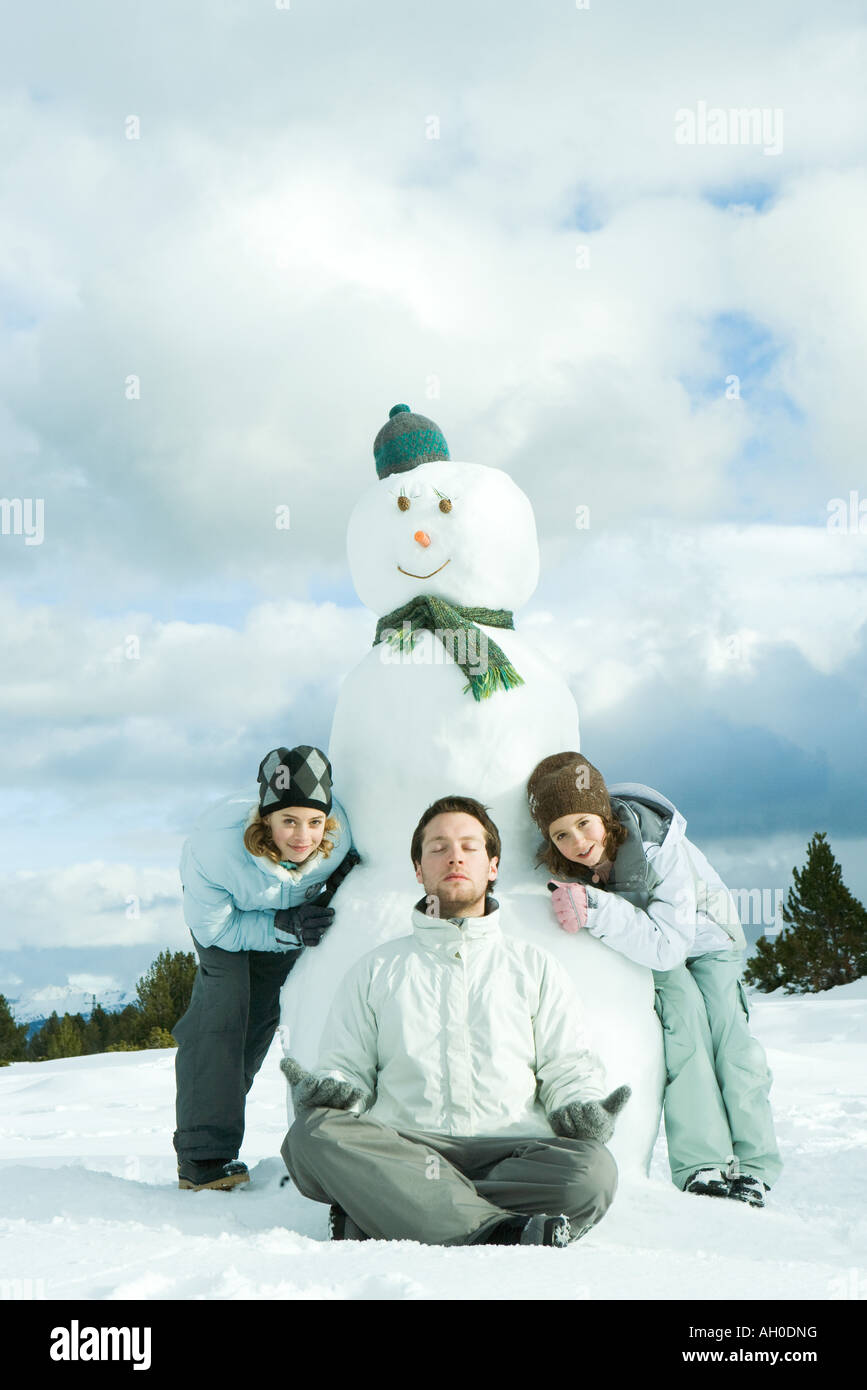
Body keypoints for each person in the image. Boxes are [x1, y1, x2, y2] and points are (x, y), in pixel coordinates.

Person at [280, 795, 629, 1246]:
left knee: (593, 1173)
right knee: (311, 1136)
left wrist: (579, 1107)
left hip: (513, 1153)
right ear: (419, 870)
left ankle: (395, 1211)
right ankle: (498, 1230)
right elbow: (347, 1064)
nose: (455, 857)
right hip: (403, 1147)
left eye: (469, 846)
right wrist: (333, 1089)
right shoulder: (376, 969)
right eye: (438, 848)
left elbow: (567, 1065)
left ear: (493, 865)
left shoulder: (535, 966)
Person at [526, 752, 782, 1207]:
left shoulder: (660, 848)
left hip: (706, 940)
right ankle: (701, 1165)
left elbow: (671, 945)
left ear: (605, 814)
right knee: (684, 1037)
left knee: (730, 1040)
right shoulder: (567, 867)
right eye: (560, 834)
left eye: (585, 823)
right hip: (654, 953)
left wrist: (599, 909)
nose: (578, 841)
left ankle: (755, 1166)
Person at [173, 744, 358, 1191]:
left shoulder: (339, 843)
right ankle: (203, 1158)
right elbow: (216, 930)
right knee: (221, 1017)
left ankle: (215, 1114)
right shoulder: (215, 848)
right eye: (288, 821)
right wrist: (282, 925)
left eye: (315, 822)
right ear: (265, 818)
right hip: (226, 927)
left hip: (284, 928)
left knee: (256, 1026)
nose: (302, 836)